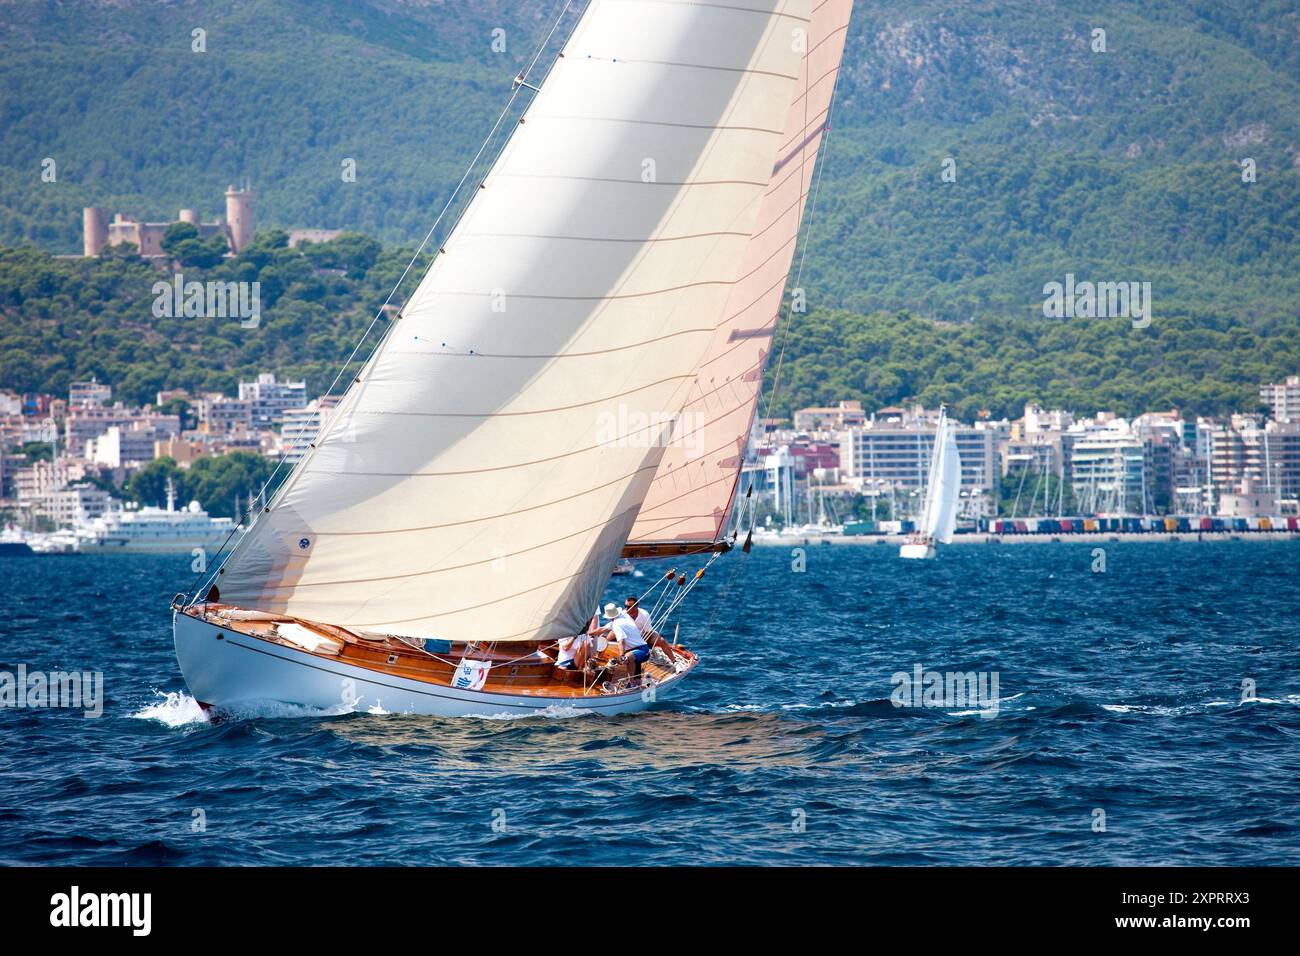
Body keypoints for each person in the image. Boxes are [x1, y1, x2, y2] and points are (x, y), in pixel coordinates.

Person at [590, 601, 649, 683]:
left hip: (642, 650)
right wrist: (588, 633)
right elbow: (602, 629)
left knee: (628, 657)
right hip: (637, 649)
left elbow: (621, 641)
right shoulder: (623, 617)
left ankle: (631, 682)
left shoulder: (616, 624)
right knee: (635, 671)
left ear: (609, 617)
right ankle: (636, 681)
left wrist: (622, 656)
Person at [623, 595, 678, 664]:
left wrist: (640, 644)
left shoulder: (644, 614)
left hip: (645, 636)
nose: (626, 609)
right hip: (630, 638)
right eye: (625, 606)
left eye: (628, 607)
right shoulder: (623, 614)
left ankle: (674, 662)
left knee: (662, 641)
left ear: (636, 607)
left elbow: (648, 632)